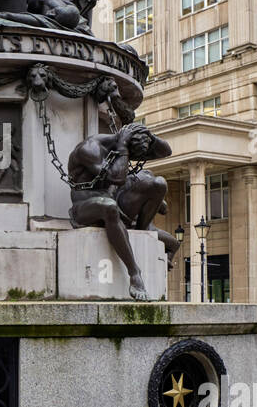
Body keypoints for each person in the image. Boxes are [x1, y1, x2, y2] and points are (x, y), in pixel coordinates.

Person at [68, 122, 178, 301]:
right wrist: (123, 147)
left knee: (158, 183)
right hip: (85, 205)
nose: (133, 160)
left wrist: (148, 135)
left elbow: (166, 151)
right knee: (109, 207)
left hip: (113, 198)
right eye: (133, 155)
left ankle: (144, 231)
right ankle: (135, 273)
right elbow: (116, 178)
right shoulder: (90, 149)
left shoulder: (123, 144)